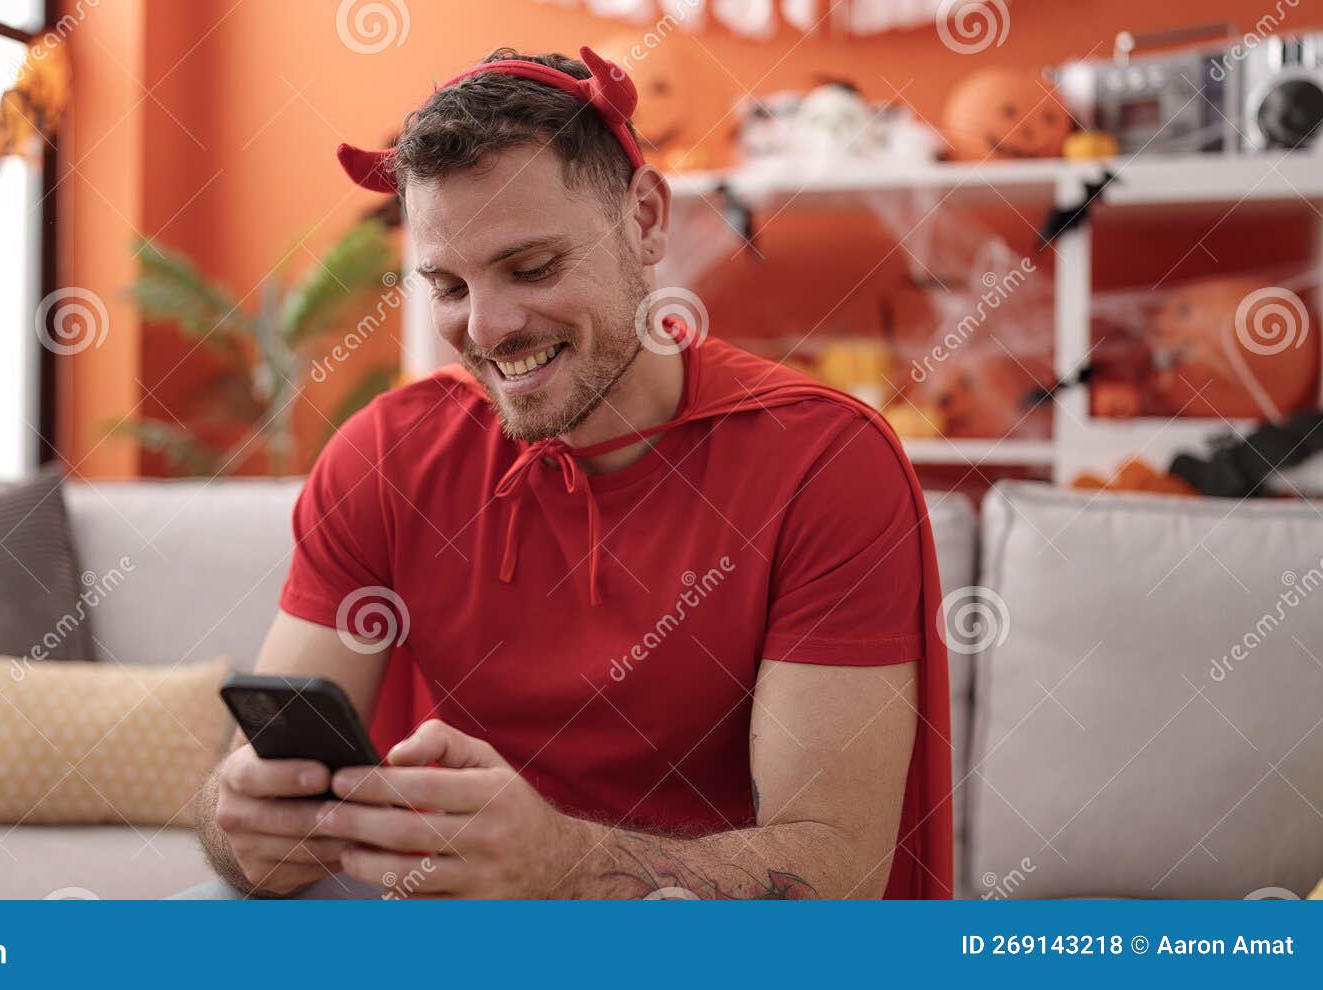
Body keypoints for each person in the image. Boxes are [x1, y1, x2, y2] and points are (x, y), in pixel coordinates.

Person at [190, 45, 953, 900]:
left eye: (534, 268)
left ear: (647, 221)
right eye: (446, 285)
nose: (489, 326)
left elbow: (838, 874)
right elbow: (247, 800)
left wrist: (560, 865)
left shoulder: (826, 463)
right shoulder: (384, 456)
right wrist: (242, 820)